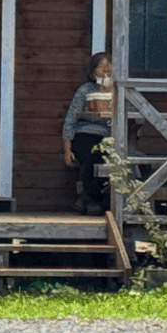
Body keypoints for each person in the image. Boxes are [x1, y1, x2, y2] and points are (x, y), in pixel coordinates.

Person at [62, 51, 114, 216]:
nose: (106, 71)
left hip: (108, 136)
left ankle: (88, 200)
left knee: (108, 159)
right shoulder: (85, 91)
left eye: (109, 67)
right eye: (101, 67)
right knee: (91, 156)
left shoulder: (117, 91)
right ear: (93, 71)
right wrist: (67, 149)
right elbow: (71, 119)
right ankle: (91, 200)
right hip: (84, 133)